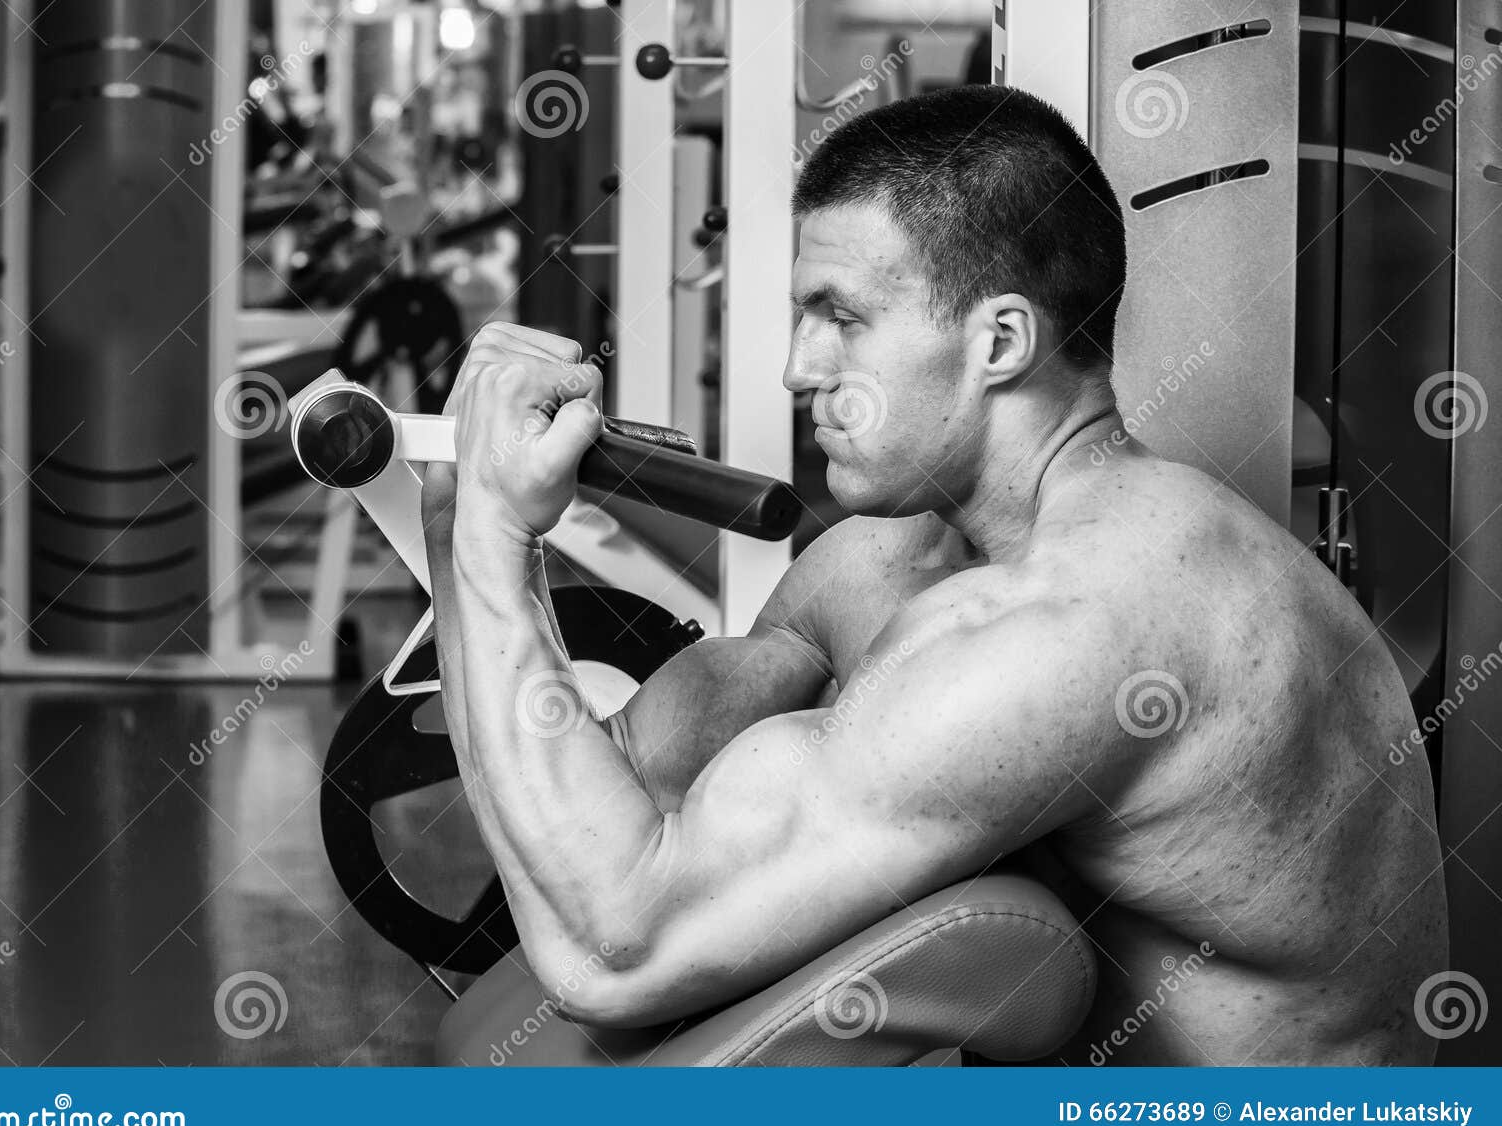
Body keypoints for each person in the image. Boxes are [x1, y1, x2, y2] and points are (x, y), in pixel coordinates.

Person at [420, 85, 1448, 1064]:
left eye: (841, 316)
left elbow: (617, 945)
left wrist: (491, 544)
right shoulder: (893, 559)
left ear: (998, 339)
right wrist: (453, 508)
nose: (795, 367)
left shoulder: (1082, 619)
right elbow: (599, 809)